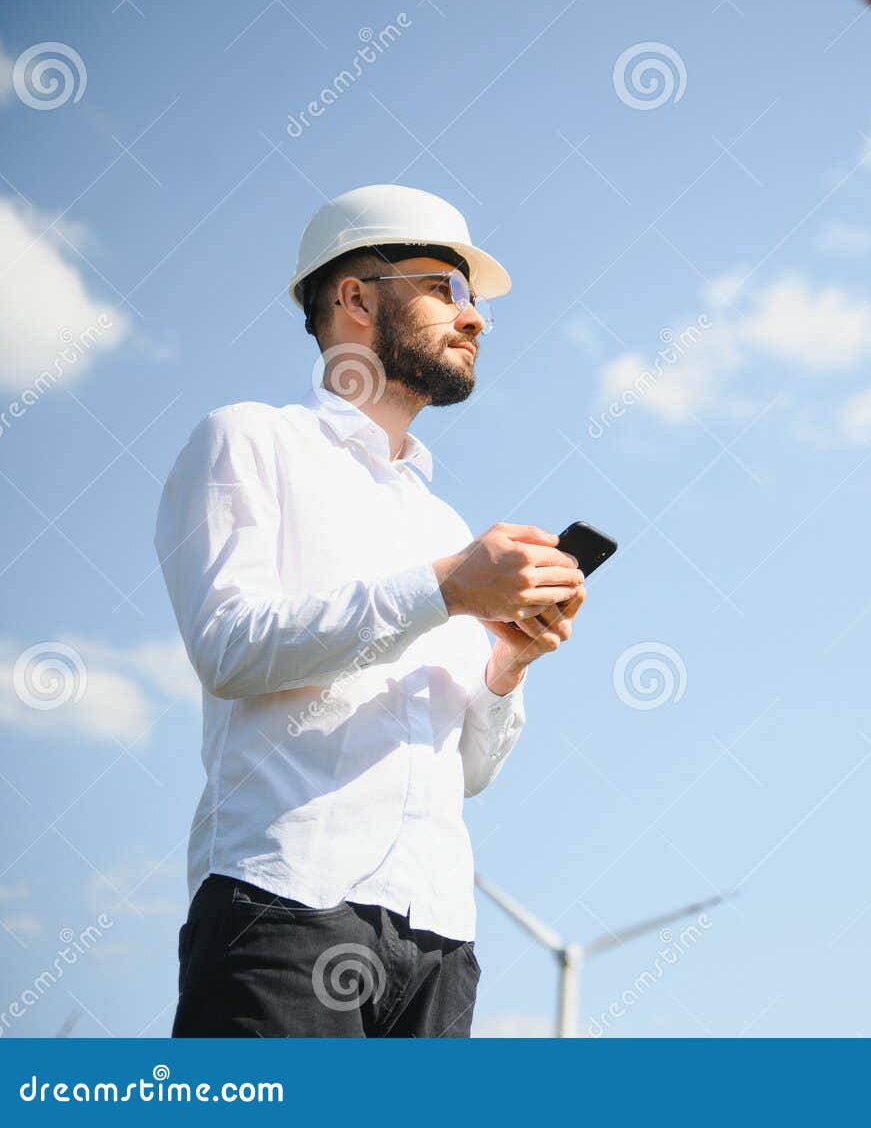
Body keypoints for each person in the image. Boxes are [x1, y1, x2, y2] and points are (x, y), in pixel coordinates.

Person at [153, 184, 586, 1036]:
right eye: (445, 288)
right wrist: (447, 589)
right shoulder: (249, 439)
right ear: (355, 297)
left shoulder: (445, 526)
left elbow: (467, 771)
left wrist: (507, 665)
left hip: (438, 944)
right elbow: (228, 648)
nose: (475, 317)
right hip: (284, 909)